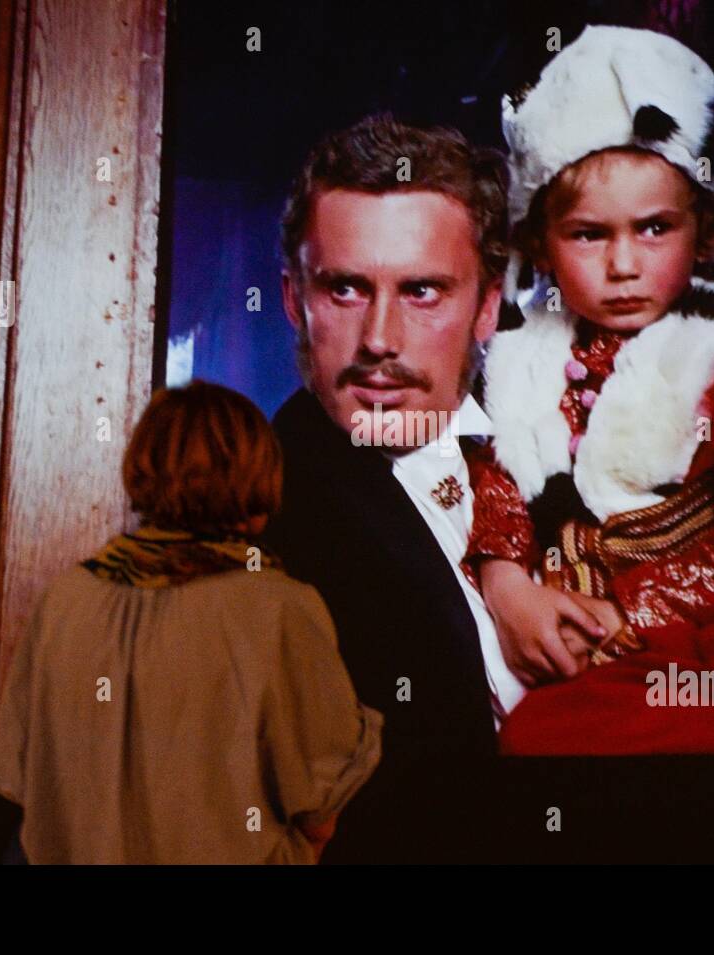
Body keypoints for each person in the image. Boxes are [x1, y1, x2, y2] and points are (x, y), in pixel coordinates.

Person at [463, 26, 714, 753]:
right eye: (589, 235)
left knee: (565, 742)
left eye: (654, 228)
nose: (624, 263)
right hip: (566, 631)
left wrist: (617, 612)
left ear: (703, 228)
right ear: (540, 244)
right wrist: (507, 582)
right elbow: (498, 478)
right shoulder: (523, 354)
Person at [263, 114, 618, 859]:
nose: (380, 339)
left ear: (487, 306)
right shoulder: (259, 513)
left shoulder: (585, 441)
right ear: (296, 300)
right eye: (346, 289)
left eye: (422, 291)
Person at [0, 382, 381, 863]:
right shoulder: (279, 608)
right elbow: (323, 799)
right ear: (261, 472)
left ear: (142, 466)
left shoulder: (66, 597)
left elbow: (16, 776)